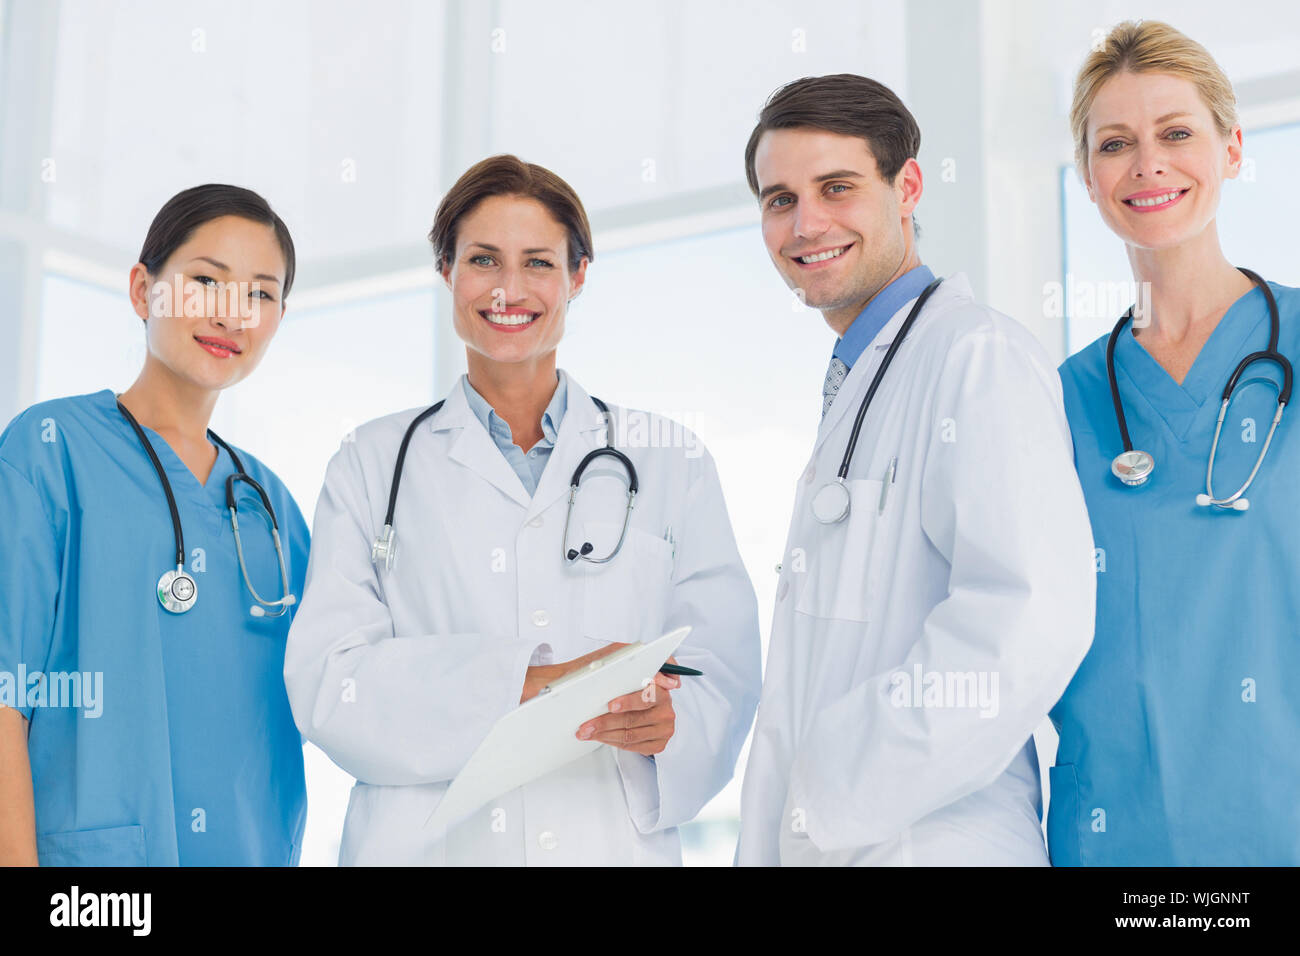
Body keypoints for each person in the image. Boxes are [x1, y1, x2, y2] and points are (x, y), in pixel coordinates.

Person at [284, 154, 761, 866]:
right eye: (483, 259)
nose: (510, 288)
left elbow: (721, 665)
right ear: (447, 272)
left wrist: (674, 723)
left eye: (538, 262)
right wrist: (531, 683)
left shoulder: (669, 459)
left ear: (578, 275)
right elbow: (330, 685)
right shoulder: (371, 462)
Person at [735, 74, 1097, 866]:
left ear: (908, 187)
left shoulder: (976, 357)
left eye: (837, 187)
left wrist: (830, 784)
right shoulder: (863, 382)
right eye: (779, 199)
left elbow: (1030, 618)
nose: (807, 223)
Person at [1049, 20, 1300, 866]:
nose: (1148, 164)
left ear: (1232, 149)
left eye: (1177, 133)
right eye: (1116, 143)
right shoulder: (1059, 402)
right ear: (1088, 177)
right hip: (1117, 842)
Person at [0, 184, 309, 865]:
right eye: (206, 280)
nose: (233, 313)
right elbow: (3, 698)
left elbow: (337, 695)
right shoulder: (49, 451)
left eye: (260, 293)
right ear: (144, 291)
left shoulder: (273, 507)